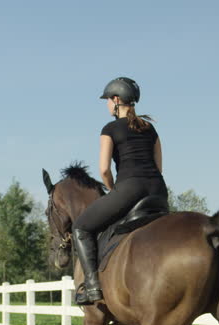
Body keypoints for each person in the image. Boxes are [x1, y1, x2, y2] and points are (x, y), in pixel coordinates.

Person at [71, 77, 168, 305]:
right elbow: (159, 167)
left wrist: (114, 189)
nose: (106, 105)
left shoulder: (110, 129)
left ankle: (92, 287)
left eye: (107, 100)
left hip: (129, 188)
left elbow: (104, 169)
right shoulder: (150, 128)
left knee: (81, 228)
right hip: (158, 191)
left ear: (116, 100)